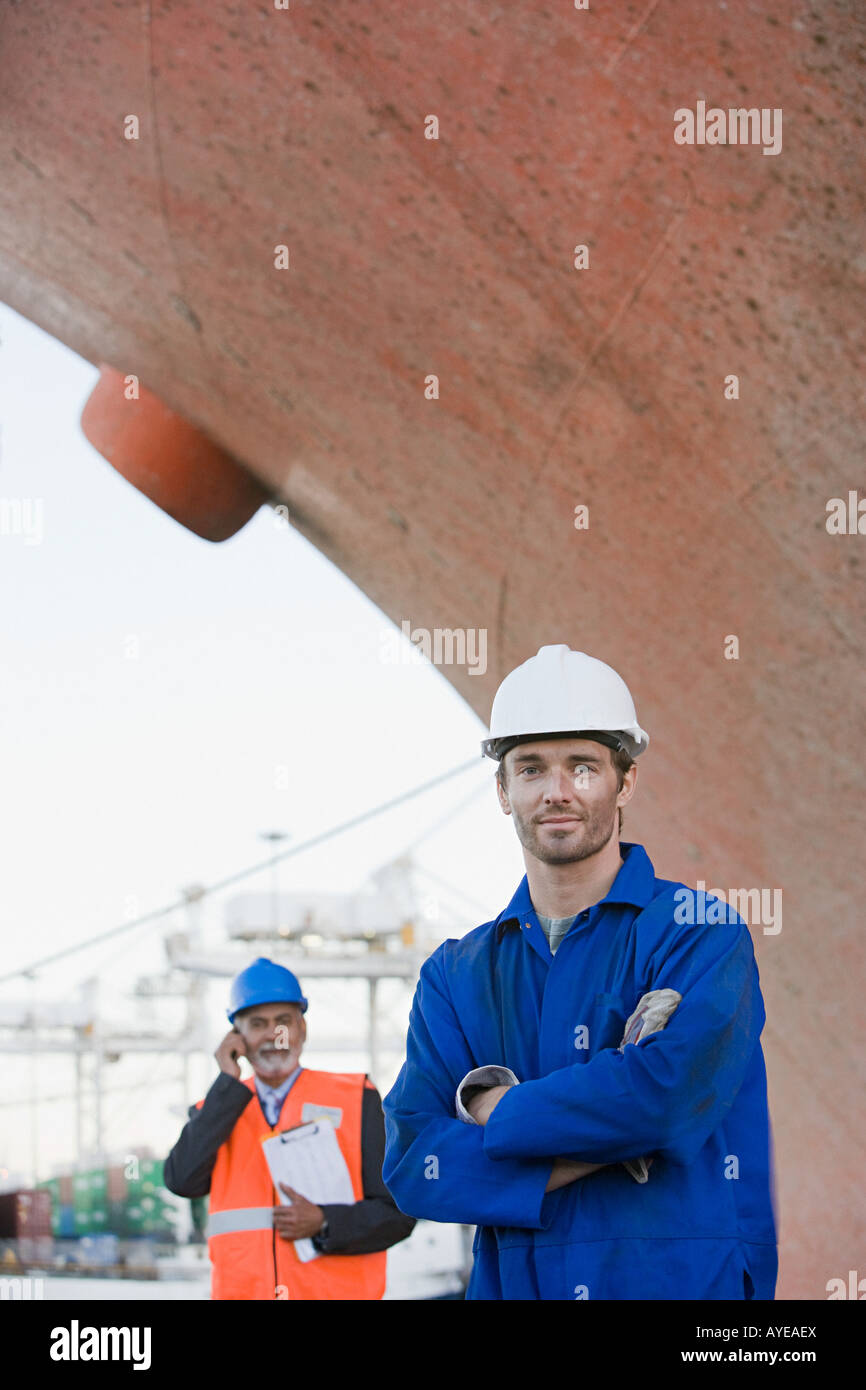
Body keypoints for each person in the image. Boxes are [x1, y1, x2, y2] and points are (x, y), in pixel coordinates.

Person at [382, 644, 777, 1301]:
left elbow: (668, 1099)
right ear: (503, 791)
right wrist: (613, 1133)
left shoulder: (700, 932)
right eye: (531, 768)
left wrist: (497, 1109)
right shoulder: (455, 975)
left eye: (583, 766)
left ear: (625, 782)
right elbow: (415, 1164)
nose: (557, 791)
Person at [165, 957, 414, 1299]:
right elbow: (181, 1180)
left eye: (283, 1021)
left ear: (302, 1029)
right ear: (236, 1038)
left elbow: (399, 1214)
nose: (272, 1034)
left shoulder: (357, 1098)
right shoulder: (216, 1110)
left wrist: (325, 1221)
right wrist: (227, 1083)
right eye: (257, 1024)